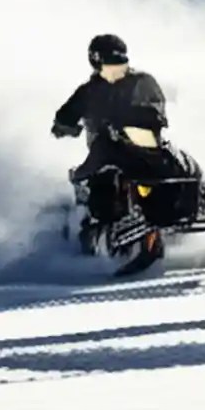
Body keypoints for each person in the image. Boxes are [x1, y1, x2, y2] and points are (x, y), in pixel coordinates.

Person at [51, 34, 172, 272]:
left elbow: (157, 102)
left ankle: (195, 204)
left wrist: (154, 114)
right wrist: (64, 125)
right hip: (105, 149)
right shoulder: (88, 91)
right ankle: (99, 230)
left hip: (144, 141)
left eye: (119, 59)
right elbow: (66, 114)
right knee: (101, 182)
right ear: (96, 61)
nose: (115, 65)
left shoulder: (142, 81)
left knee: (177, 166)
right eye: (109, 60)